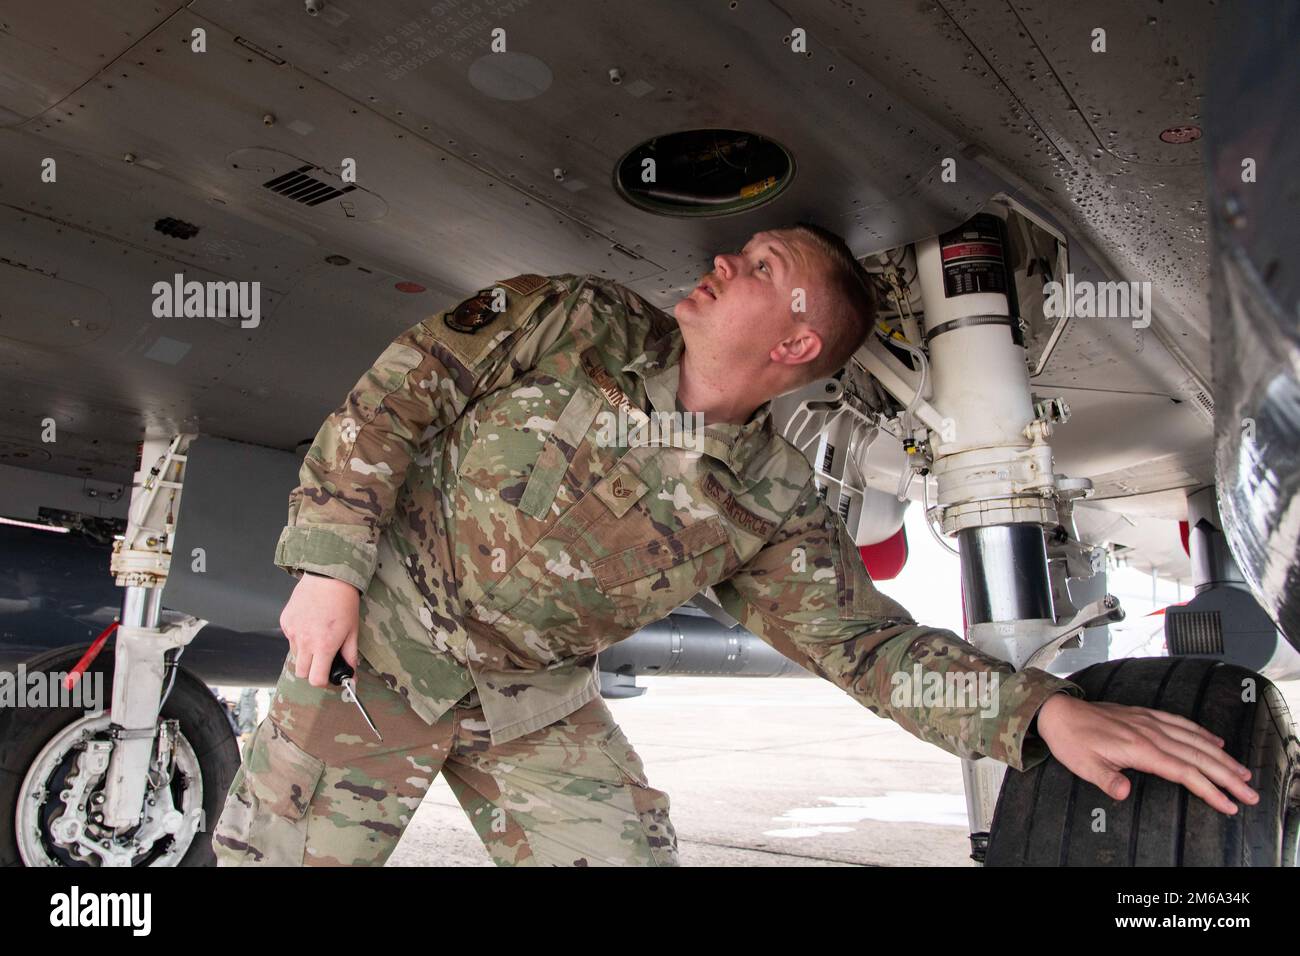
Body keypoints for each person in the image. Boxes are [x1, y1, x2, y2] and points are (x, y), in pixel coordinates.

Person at [211, 222, 1258, 867]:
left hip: (532, 699)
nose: (722, 260)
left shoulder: (766, 502)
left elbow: (867, 647)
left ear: (795, 344)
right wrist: (329, 564)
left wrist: (1042, 710)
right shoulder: (576, 322)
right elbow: (399, 393)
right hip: (377, 651)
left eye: (758, 265)